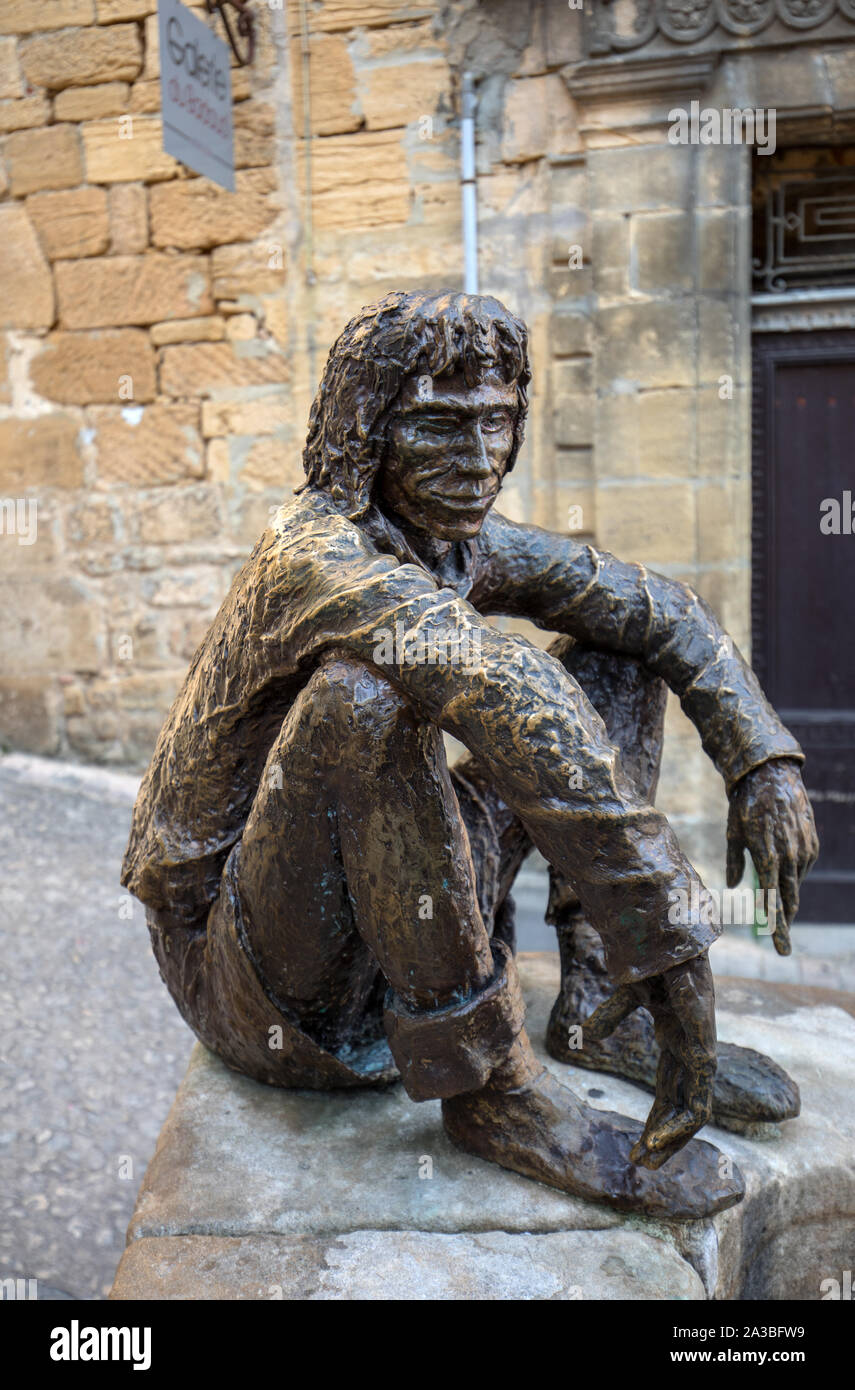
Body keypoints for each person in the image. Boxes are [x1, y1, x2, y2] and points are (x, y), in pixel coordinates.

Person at [122, 291, 818, 1220]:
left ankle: (599, 1007)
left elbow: (657, 609)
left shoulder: (456, 542)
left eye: (498, 423)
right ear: (367, 430)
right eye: (440, 428)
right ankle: (491, 1089)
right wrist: (671, 941)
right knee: (369, 697)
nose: (482, 459)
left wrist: (760, 758)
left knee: (617, 649)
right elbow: (506, 687)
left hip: (385, 913)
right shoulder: (316, 556)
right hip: (259, 984)